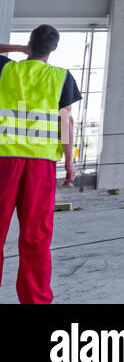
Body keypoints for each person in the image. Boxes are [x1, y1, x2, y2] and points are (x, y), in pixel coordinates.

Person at [0, 24, 80, 304]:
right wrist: (70, 162)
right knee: (36, 236)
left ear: (28, 44)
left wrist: (18, 50)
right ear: (54, 49)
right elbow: (66, 121)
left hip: (3, 160)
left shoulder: (6, 70)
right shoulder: (61, 77)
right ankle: (35, 301)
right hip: (41, 165)